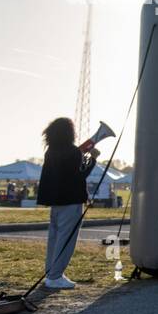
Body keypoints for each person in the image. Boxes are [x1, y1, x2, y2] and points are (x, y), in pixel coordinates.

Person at [37, 117, 99, 289]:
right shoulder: (72, 151)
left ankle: (51, 273)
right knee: (66, 240)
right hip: (71, 201)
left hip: (56, 201)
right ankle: (55, 277)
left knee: (54, 239)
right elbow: (80, 175)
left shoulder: (51, 151)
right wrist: (92, 159)